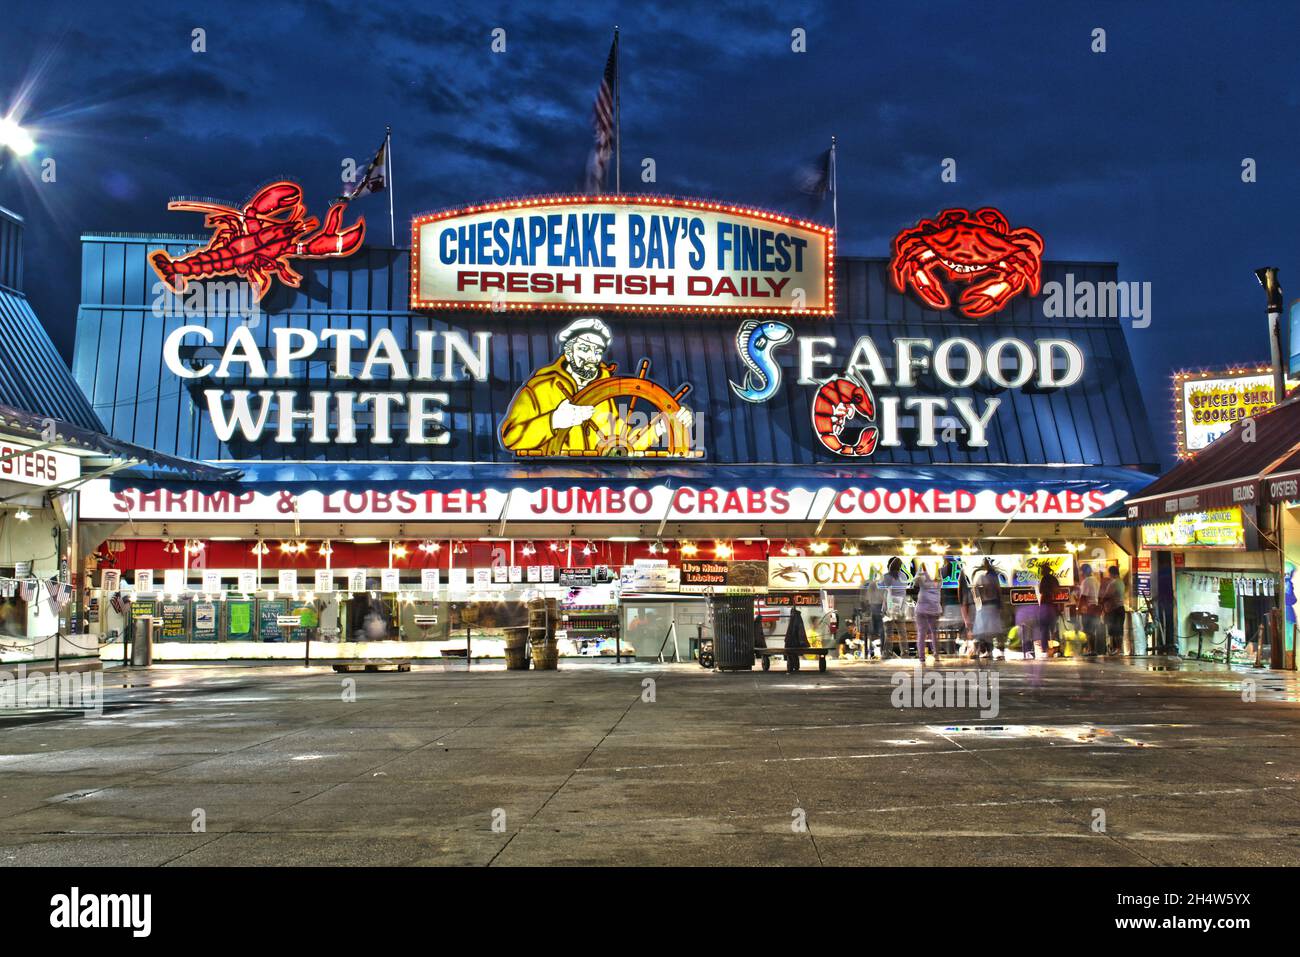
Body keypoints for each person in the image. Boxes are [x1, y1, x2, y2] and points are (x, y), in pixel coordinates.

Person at [500, 316, 694, 455]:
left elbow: (621, 444)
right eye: (584, 349)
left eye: (597, 351)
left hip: (600, 488)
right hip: (549, 484)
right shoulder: (540, 388)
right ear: (568, 351)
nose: (592, 357)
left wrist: (662, 426)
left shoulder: (604, 392)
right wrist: (553, 421)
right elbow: (511, 438)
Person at [971, 558, 1003, 660]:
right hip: (992, 605)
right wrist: (1000, 604)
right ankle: (989, 651)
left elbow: (975, 590)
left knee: (982, 630)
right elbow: (999, 592)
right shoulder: (994, 578)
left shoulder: (981, 578)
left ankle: (982, 651)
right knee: (990, 631)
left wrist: (978, 602)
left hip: (984, 606)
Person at [881, 558, 910, 658]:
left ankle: (887, 653)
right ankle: (905, 653)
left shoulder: (886, 576)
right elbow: (903, 593)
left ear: (889, 565)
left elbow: (886, 594)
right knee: (902, 632)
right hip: (900, 608)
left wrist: (886, 609)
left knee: (888, 632)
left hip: (889, 608)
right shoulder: (904, 576)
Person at [913, 565, 942, 665]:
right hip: (934, 607)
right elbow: (939, 586)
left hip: (922, 607)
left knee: (921, 633)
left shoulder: (922, 571)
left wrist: (920, 574)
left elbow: (915, 583)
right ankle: (936, 654)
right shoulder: (938, 573)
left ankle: (921, 657)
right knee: (934, 632)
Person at [1077, 563, 1102, 656]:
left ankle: (1091, 650)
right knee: (1093, 630)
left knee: (1088, 630)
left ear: (1083, 572)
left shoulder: (1086, 581)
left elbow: (1083, 597)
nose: (1080, 574)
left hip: (1088, 609)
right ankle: (1092, 649)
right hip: (1096, 608)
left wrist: (1079, 609)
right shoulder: (1096, 581)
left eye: (1081, 571)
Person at [1102, 565, 1126, 654]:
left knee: (1114, 630)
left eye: (1109, 573)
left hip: (1114, 609)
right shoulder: (1121, 582)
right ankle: (1118, 649)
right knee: (1119, 629)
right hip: (1120, 608)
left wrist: (1101, 601)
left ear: (1111, 573)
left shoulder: (1113, 583)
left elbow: (1107, 596)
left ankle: (1117, 648)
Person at [861, 575, 885, 656]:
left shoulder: (869, 584)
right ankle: (881, 651)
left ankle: (871, 651)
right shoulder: (878, 585)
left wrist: (866, 609)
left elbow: (865, 599)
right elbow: (883, 598)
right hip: (878, 607)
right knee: (881, 630)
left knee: (872, 631)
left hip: (872, 607)